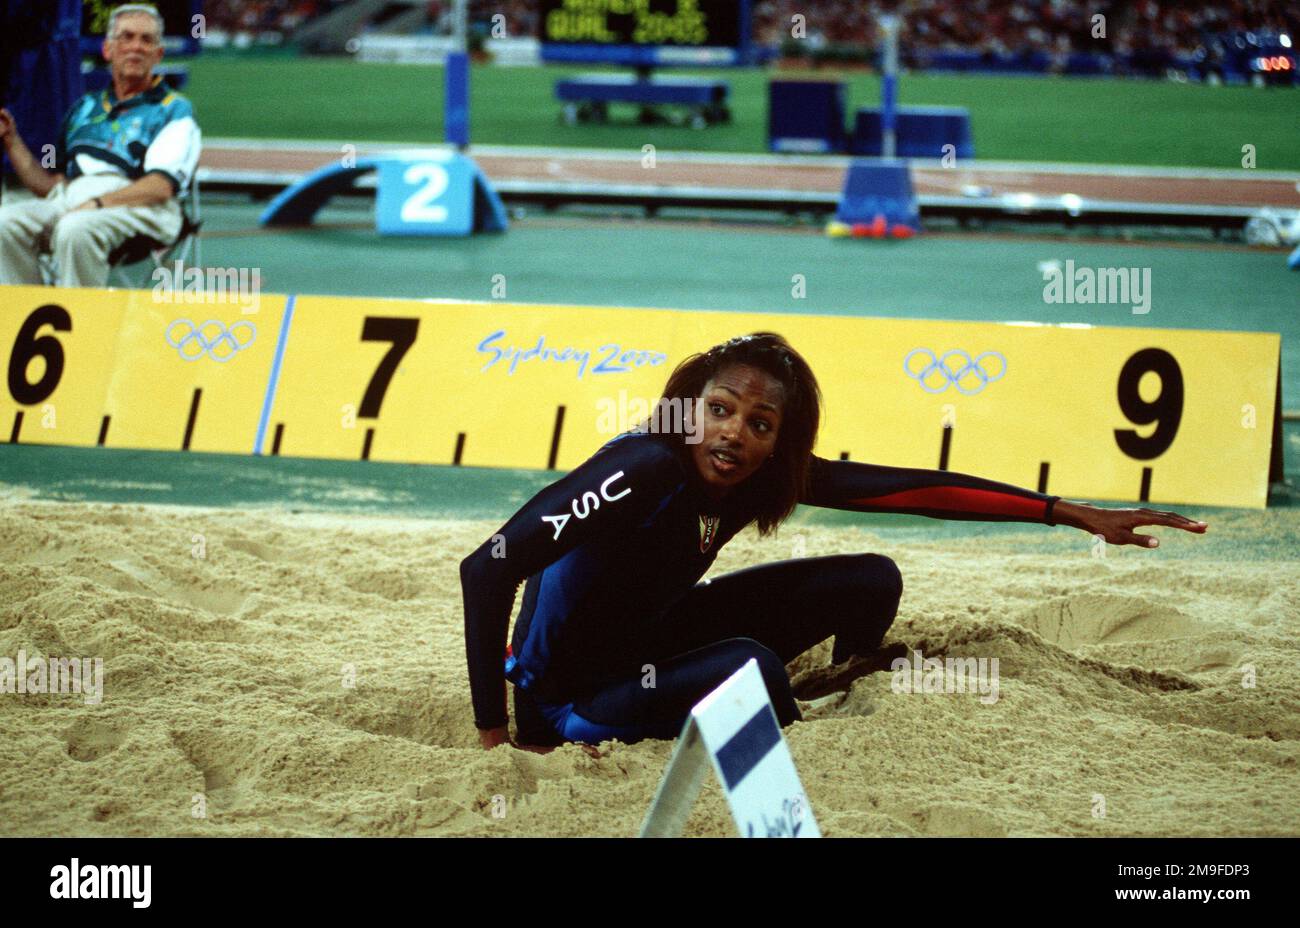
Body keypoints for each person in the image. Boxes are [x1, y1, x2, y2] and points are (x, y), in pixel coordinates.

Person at [460, 332, 1208, 751]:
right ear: (689, 408)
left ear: (779, 438)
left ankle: (837, 680)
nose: (734, 434)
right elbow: (486, 568)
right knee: (750, 668)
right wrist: (498, 731)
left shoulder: (756, 475)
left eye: (759, 424)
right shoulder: (644, 468)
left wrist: (1066, 513)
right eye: (720, 410)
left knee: (870, 578)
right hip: (562, 699)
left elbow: (910, 490)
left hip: (650, 643)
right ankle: (798, 712)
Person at [0, 3, 200, 287]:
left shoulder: (174, 110)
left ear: (158, 55)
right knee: (5, 223)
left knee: (75, 229)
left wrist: (95, 204)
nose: (136, 47)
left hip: (142, 207)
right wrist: (12, 140)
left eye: (146, 40)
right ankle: (31, 314)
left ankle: (80, 322)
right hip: (76, 201)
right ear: (108, 50)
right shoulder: (83, 108)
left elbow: (159, 187)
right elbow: (52, 187)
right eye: (126, 37)